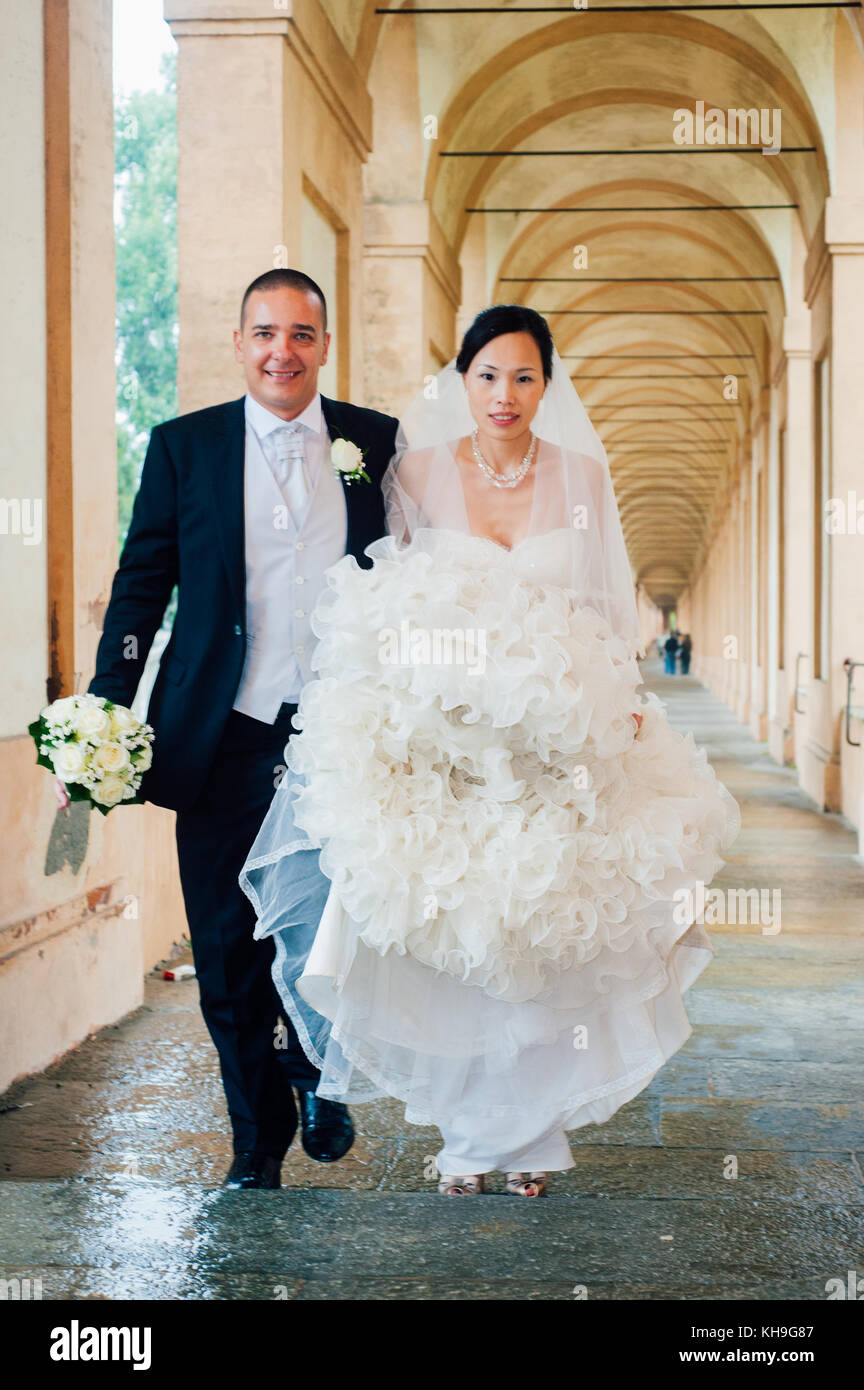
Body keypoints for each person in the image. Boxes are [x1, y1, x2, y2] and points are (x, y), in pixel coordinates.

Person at [241, 305, 740, 1198]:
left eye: (523, 377)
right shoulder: (419, 470)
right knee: (457, 933)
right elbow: (391, 590)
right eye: (487, 376)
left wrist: (618, 702)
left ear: (547, 385)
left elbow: (605, 606)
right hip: (447, 735)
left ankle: (531, 1134)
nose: (504, 395)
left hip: (559, 736)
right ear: (460, 380)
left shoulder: (583, 475)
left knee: (547, 929)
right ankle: (471, 1132)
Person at [90, 269, 398, 1188]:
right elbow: (144, 581)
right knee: (227, 952)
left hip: (343, 738)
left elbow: (413, 570)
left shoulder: (374, 443)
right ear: (239, 343)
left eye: (302, 334)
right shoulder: (185, 448)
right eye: (265, 332)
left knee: (338, 932)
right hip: (224, 733)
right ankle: (254, 1143)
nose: (282, 351)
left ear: (325, 347)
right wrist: (109, 704)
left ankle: (320, 1072)